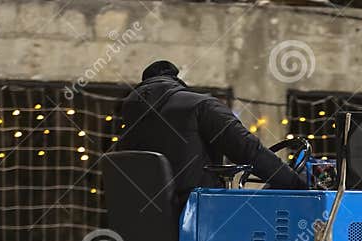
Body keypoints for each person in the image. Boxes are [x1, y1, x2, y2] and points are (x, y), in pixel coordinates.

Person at [118, 60, 307, 195]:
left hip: (137, 228)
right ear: (176, 81)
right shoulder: (201, 106)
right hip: (198, 220)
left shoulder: (130, 121)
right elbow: (248, 150)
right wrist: (298, 185)